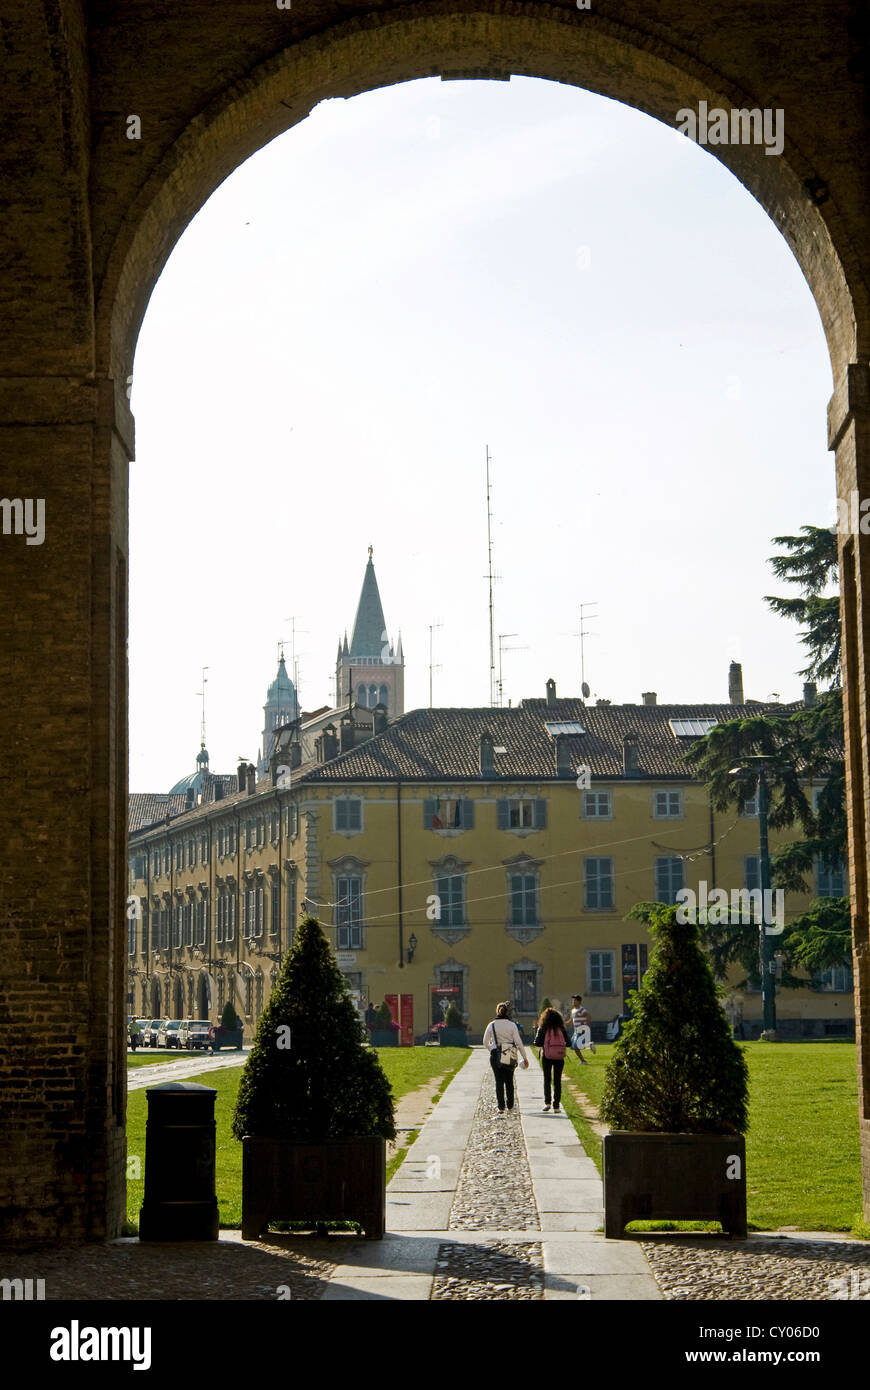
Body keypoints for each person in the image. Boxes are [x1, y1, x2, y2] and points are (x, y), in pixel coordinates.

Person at [482, 1001, 529, 1113]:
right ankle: (510, 1105)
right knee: (509, 1080)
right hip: (509, 1053)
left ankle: (501, 1107)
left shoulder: (491, 1025)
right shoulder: (512, 1025)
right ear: (507, 1012)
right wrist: (525, 1057)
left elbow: (485, 1042)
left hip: (495, 1053)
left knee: (498, 1081)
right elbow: (518, 1043)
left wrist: (492, 1050)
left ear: (497, 1011)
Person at [533, 1007, 571, 1112]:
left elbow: (537, 1043)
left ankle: (547, 1103)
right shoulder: (561, 1028)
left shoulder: (543, 1028)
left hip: (547, 1056)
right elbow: (569, 1043)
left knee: (547, 1079)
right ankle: (557, 1105)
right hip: (559, 1056)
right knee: (557, 1081)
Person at [568, 994, 596, 1063]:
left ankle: (588, 1046)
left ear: (579, 1002)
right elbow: (571, 1020)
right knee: (573, 1046)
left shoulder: (582, 1009)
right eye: (573, 1000)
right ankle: (583, 1060)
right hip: (576, 1031)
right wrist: (564, 1024)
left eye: (575, 1000)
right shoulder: (573, 1010)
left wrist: (584, 1025)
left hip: (581, 1030)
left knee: (576, 1045)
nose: (573, 1001)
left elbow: (589, 1017)